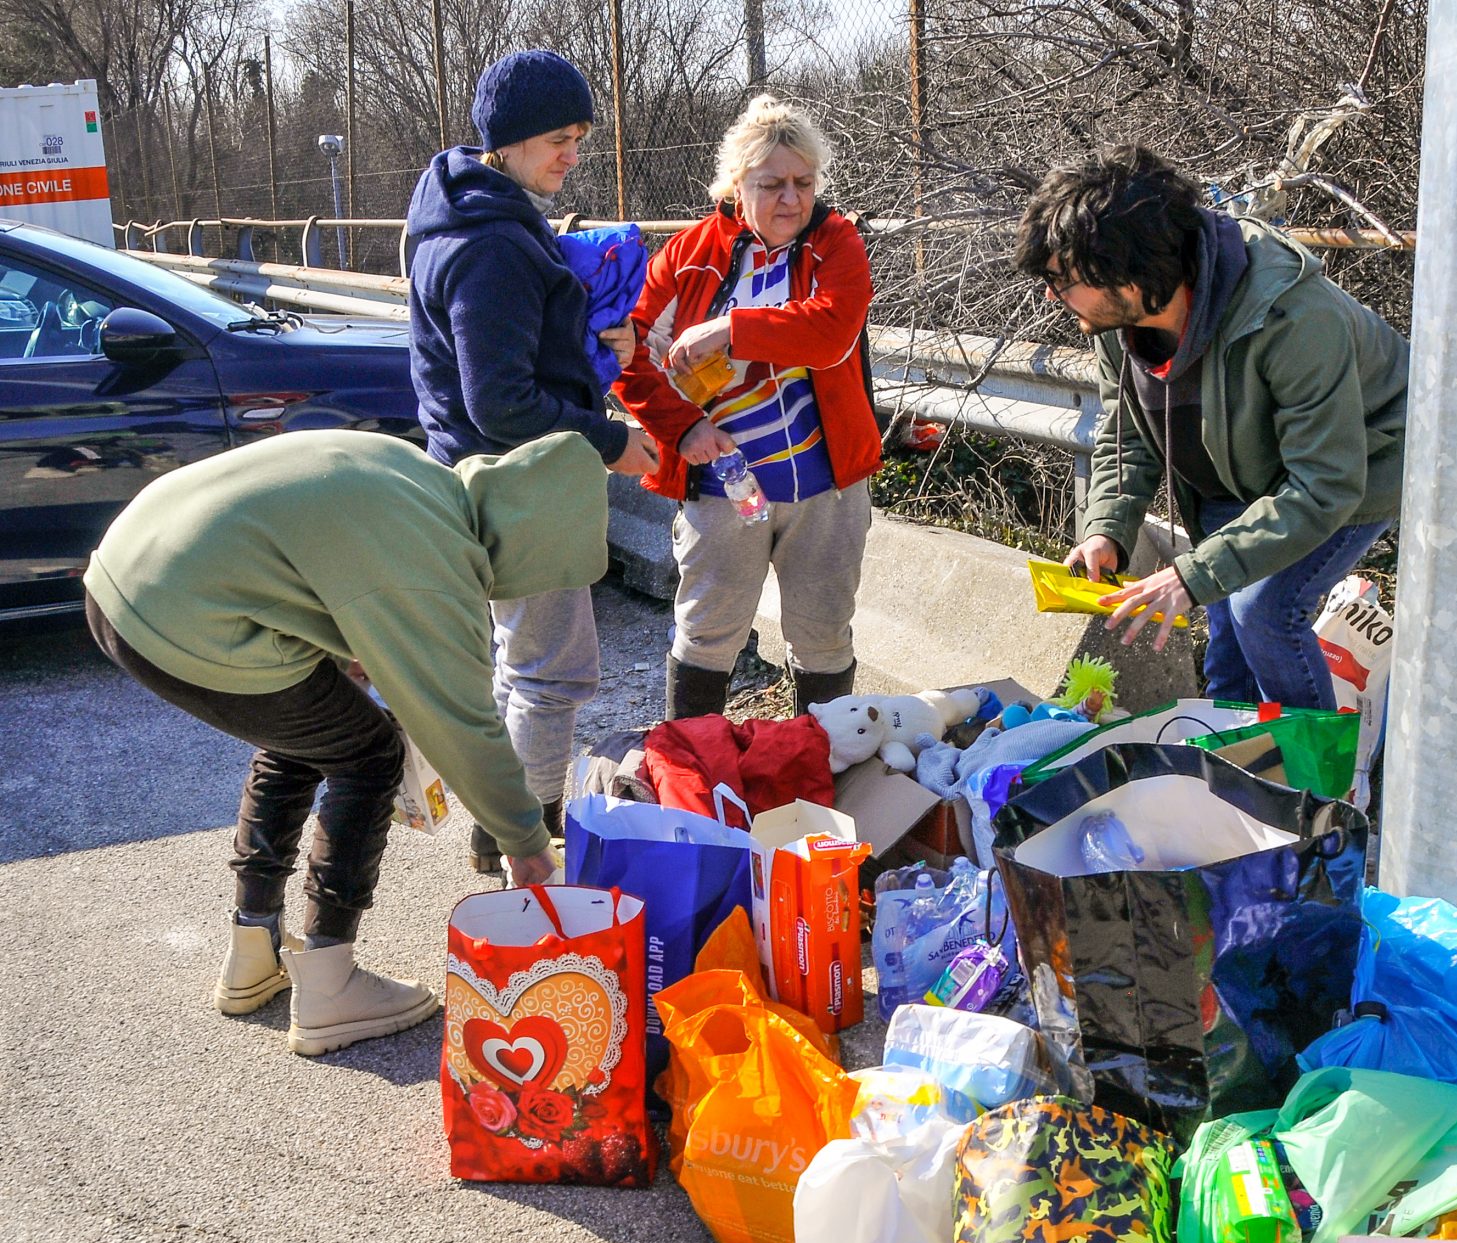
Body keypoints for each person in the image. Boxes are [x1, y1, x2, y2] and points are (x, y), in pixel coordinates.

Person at [81, 430, 632, 1056]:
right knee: (369, 753)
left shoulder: (414, 475)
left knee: (306, 733)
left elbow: (309, 544)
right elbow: (461, 724)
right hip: (185, 616)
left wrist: (348, 645)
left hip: (128, 573)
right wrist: (526, 843)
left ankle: (253, 949)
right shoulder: (431, 560)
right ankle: (329, 984)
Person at [1015, 145, 1409, 709]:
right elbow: (1128, 432)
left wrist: (1192, 576)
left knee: (1263, 613)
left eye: (1063, 280)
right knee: (1227, 646)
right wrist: (1106, 529)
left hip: (1357, 462)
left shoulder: (1292, 316)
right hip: (1236, 473)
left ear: (1127, 276)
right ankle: (1231, 751)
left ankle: (1316, 762)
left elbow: (1325, 483)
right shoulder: (1113, 318)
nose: (1052, 296)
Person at [406, 49, 657, 874]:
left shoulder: (464, 211)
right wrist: (611, 441)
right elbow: (502, 401)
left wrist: (601, 343)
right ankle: (526, 842)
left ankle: (500, 829)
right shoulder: (493, 244)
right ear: (507, 141)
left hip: (478, 474)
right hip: (516, 481)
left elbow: (509, 360)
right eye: (558, 140)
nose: (572, 155)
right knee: (554, 673)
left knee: (520, 666)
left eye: (579, 138)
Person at [615, 94, 882, 720]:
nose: (792, 199)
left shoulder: (836, 241)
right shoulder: (687, 254)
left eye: (803, 183)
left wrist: (729, 330)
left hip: (826, 490)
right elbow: (624, 352)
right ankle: (692, 765)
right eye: (772, 185)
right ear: (737, 184)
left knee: (823, 637)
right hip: (721, 486)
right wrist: (683, 429)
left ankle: (822, 762)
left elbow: (831, 330)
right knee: (707, 634)